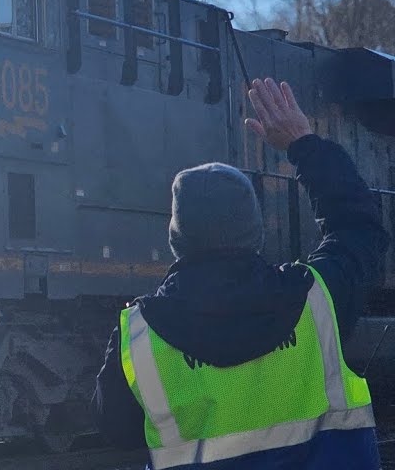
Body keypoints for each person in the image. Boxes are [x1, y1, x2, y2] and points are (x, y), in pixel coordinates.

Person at [93, 77, 389, 469]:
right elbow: (360, 229)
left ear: (177, 239)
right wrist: (304, 144)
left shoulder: (138, 336)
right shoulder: (318, 298)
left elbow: (118, 429)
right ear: (257, 230)